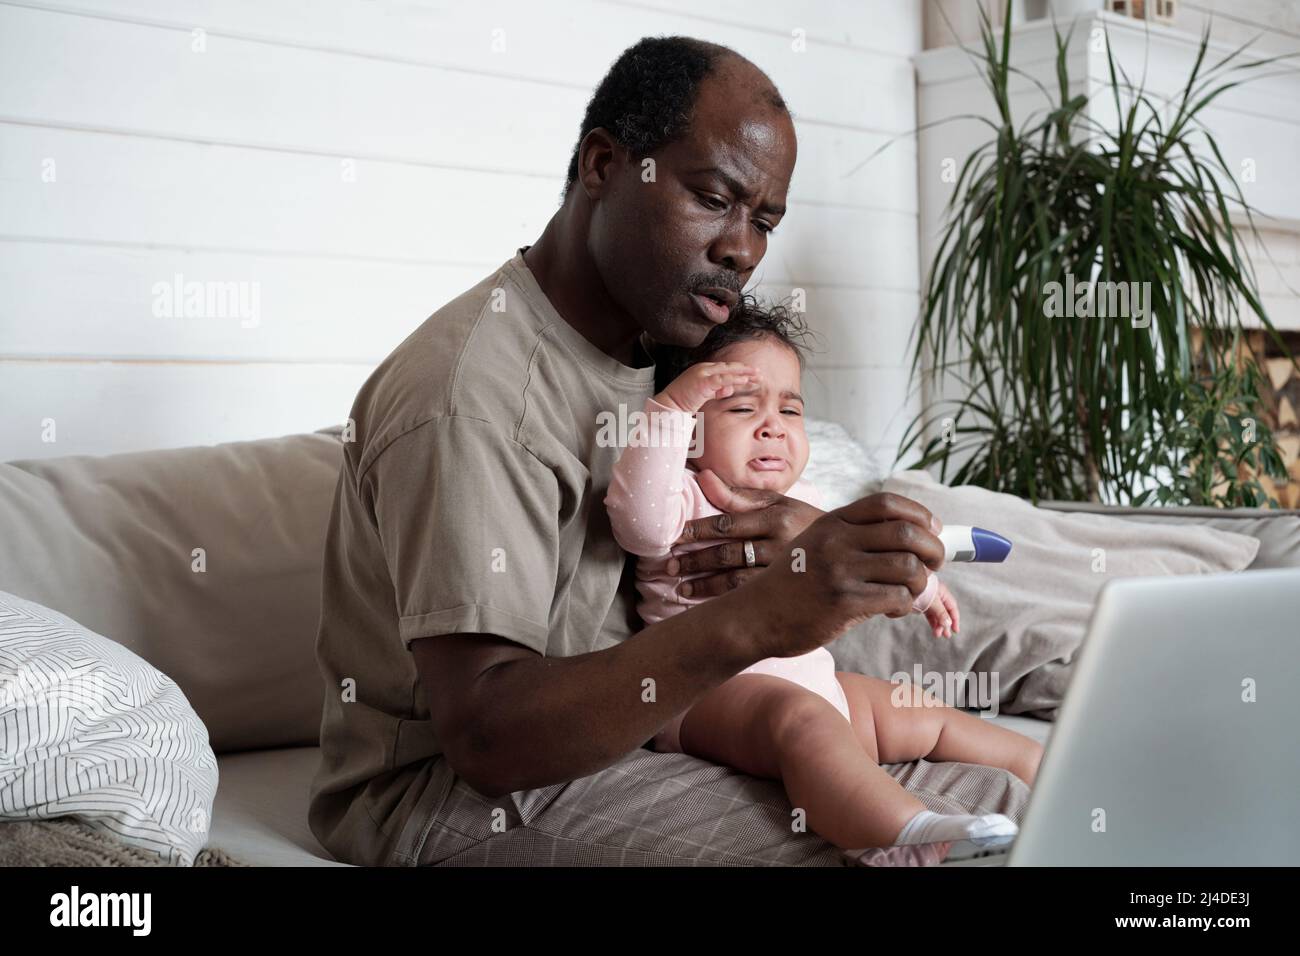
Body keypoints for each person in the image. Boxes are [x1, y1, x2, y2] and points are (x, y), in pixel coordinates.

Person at [308, 35, 1032, 867]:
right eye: (715, 198)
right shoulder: (473, 397)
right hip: (451, 790)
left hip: (649, 725)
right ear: (604, 165)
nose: (744, 250)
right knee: (881, 849)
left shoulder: (660, 341)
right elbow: (485, 735)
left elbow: (707, 511)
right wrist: (756, 614)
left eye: (763, 221)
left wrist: (778, 528)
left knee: (1023, 802)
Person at [604, 299, 1044, 858]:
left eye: (790, 411)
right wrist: (671, 407)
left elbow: (862, 556)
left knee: (921, 710)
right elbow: (638, 524)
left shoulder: (803, 504)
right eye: (741, 409)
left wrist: (924, 588)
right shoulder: (682, 495)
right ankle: (902, 833)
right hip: (707, 697)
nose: (773, 429)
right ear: (687, 430)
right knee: (801, 718)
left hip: (819, 684)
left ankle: (1060, 774)